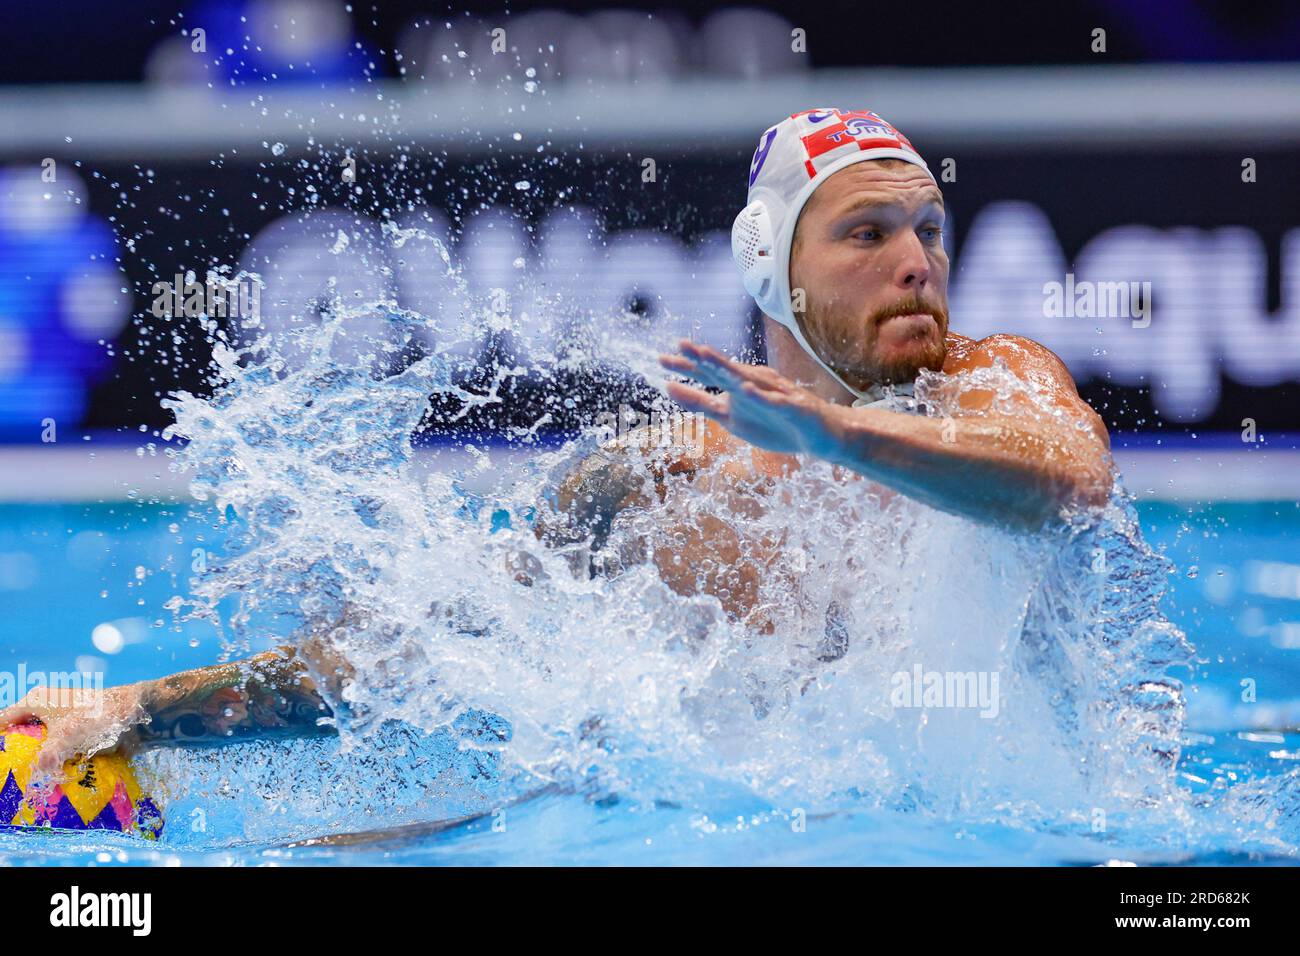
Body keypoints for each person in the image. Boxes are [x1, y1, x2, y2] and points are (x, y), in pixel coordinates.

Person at [0, 108, 1111, 771]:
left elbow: (1066, 482)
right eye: (866, 232)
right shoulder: (654, 475)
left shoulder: (993, 382)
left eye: (927, 229)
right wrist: (140, 709)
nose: (916, 260)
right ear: (769, 263)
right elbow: (408, 669)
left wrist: (839, 437)